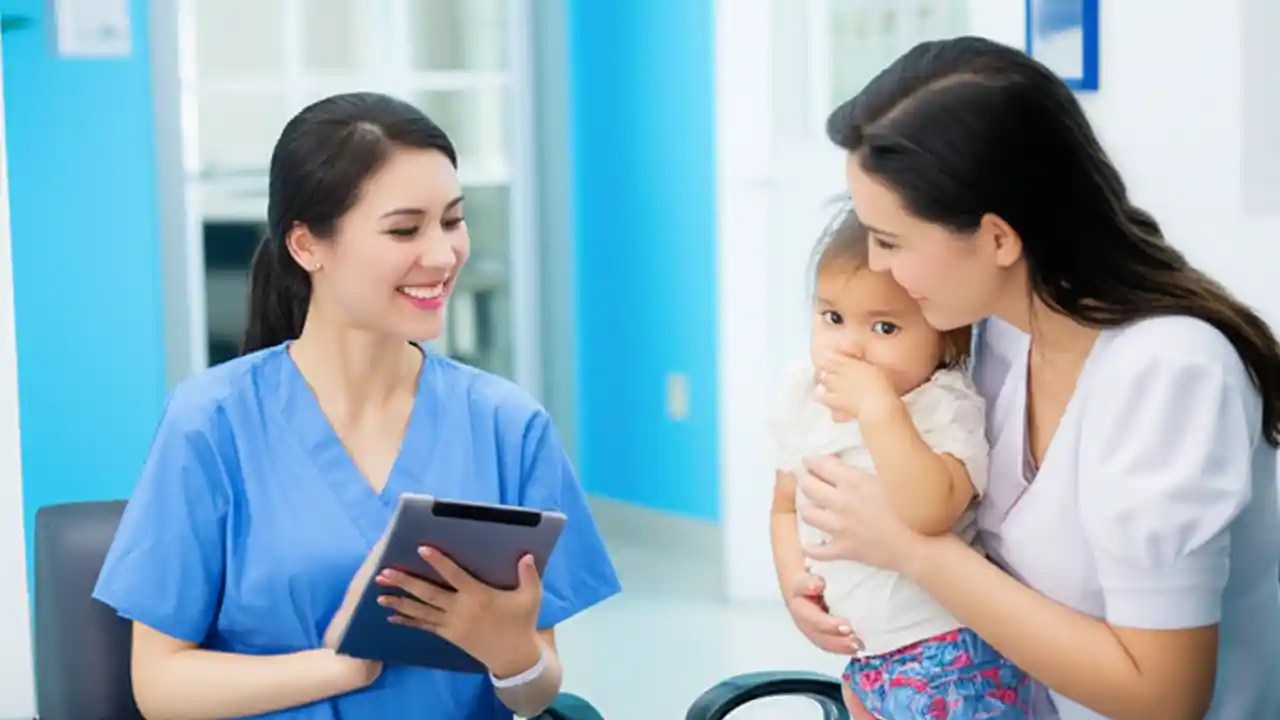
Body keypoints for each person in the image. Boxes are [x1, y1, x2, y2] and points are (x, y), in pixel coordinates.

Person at [790, 36, 1280, 720]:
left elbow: (1165, 698)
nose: (876, 266)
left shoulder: (1169, 372)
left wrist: (910, 549)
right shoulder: (999, 335)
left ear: (998, 238)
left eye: (891, 241)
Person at [92, 92, 621, 719]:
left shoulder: (509, 426)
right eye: (404, 229)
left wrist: (511, 653)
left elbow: (534, 694)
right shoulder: (211, 421)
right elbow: (161, 688)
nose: (443, 255)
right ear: (306, 245)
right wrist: (344, 666)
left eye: (452, 221)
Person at [770, 209, 1030, 718]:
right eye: (832, 318)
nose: (849, 347)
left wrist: (879, 410)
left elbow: (931, 510)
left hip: (948, 654)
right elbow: (784, 506)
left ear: (945, 336)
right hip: (866, 656)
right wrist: (794, 586)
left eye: (884, 327)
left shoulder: (942, 406)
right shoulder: (804, 398)